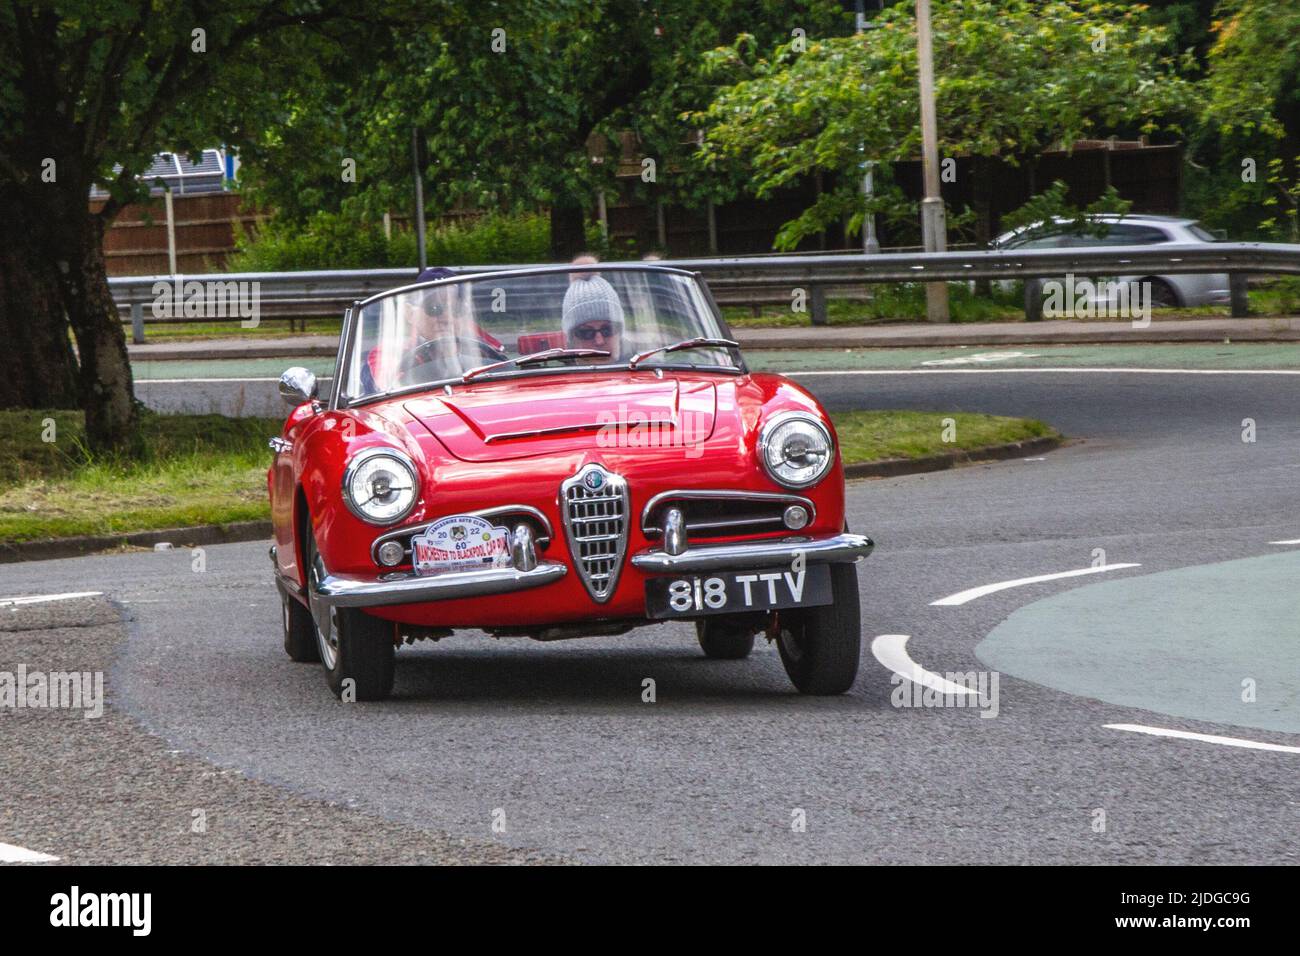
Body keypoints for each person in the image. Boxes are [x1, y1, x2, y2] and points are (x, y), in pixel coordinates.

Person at [362, 267, 505, 392]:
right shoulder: (389, 354)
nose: (447, 317)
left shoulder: (484, 348)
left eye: (456, 309)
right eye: (434, 307)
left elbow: (507, 383)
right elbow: (385, 391)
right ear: (410, 313)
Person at [561, 271, 625, 365]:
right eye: (586, 333)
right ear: (571, 342)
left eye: (607, 330)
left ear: (620, 335)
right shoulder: (552, 372)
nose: (599, 342)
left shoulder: (642, 367)